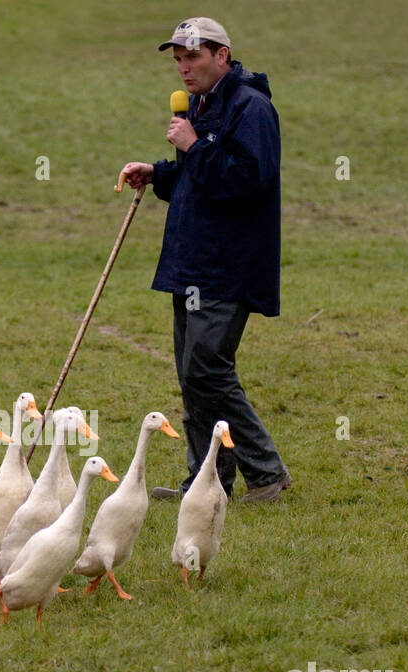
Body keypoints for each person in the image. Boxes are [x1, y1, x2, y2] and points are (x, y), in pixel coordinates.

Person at [120, 17, 291, 504]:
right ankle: (205, 482)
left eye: (192, 57)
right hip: (191, 263)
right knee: (192, 376)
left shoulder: (251, 108)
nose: (183, 68)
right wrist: (158, 173)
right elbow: (202, 180)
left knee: (207, 371)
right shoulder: (202, 105)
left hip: (227, 265)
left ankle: (267, 473)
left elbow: (247, 182)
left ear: (222, 56)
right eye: (177, 59)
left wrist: (193, 145)